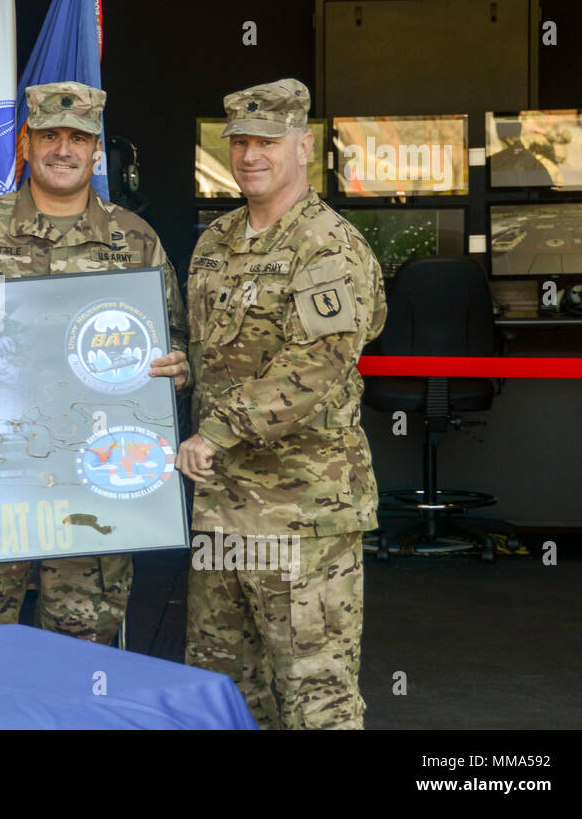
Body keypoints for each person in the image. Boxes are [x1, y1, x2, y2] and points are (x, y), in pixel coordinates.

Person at [0, 81, 189, 644]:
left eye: (78, 137)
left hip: (97, 482)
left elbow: (178, 348)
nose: (63, 148)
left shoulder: (136, 240)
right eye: (49, 135)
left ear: (97, 150)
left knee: (83, 653)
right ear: (25, 144)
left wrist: (176, 369)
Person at [157, 78, 387, 729]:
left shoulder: (327, 244)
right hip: (223, 513)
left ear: (303, 147)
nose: (250, 154)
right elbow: (199, 343)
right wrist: (178, 365)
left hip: (305, 517)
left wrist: (218, 429)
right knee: (225, 691)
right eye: (240, 142)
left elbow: (318, 362)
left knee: (316, 697)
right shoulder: (215, 243)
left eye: (267, 142)